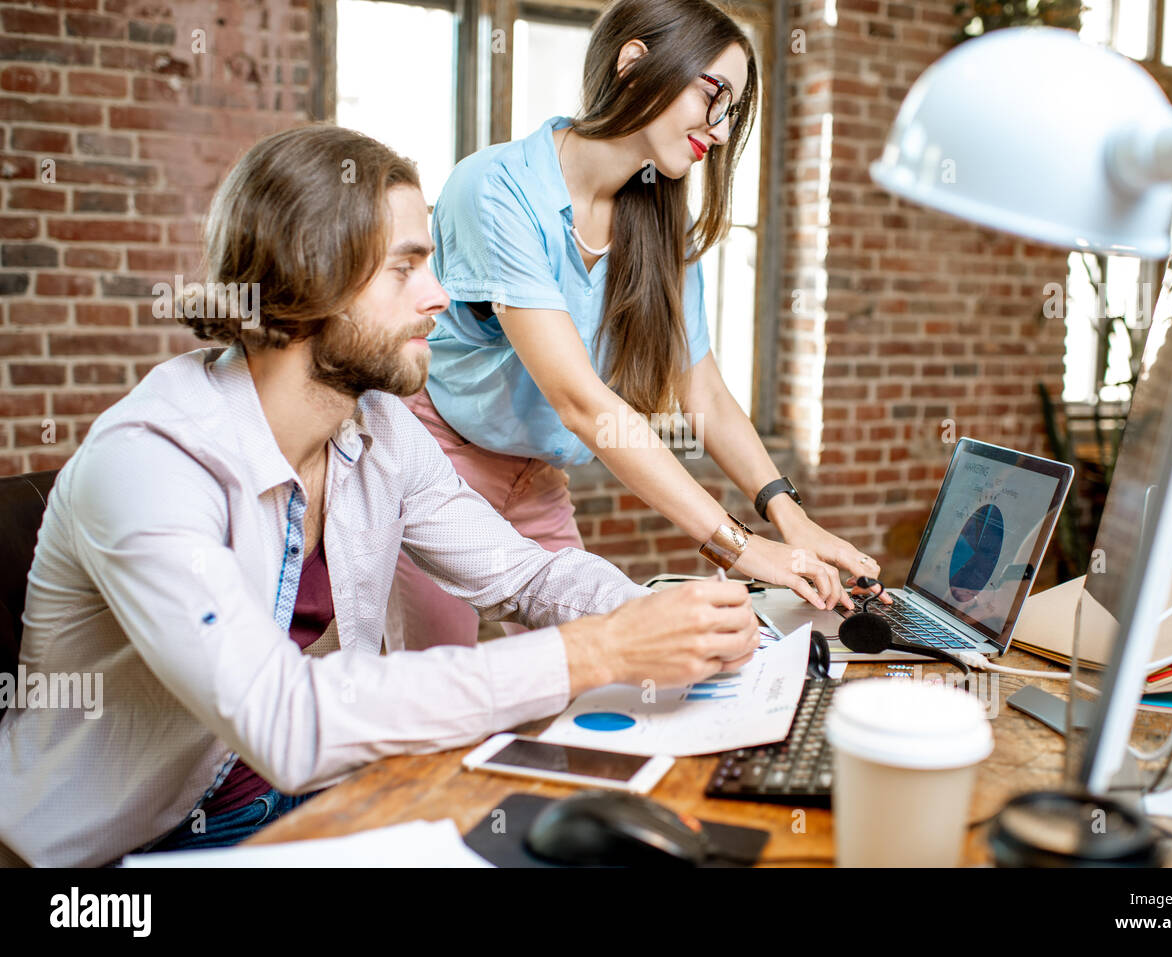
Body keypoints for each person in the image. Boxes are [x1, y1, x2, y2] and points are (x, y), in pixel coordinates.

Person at [0, 123, 759, 868]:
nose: (441, 295)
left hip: (319, 804)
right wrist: (599, 650)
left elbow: (528, 575)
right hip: (123, 857)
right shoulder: (150, 462)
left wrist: (662, 619)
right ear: (310, 276)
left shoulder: (380, 428)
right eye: (406, 269)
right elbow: (284, 719)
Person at [393, 0, 888, 650]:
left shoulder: (660, 225)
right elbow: (581, 403)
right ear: (634, 64)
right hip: (438, 460)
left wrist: (790, 518)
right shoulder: (496, 189)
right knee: (442, 691)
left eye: (731, 112)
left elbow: (702, 390)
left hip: (536, 480)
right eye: (712, 95)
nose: (717, 128)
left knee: (599, 669)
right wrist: (738, 547)